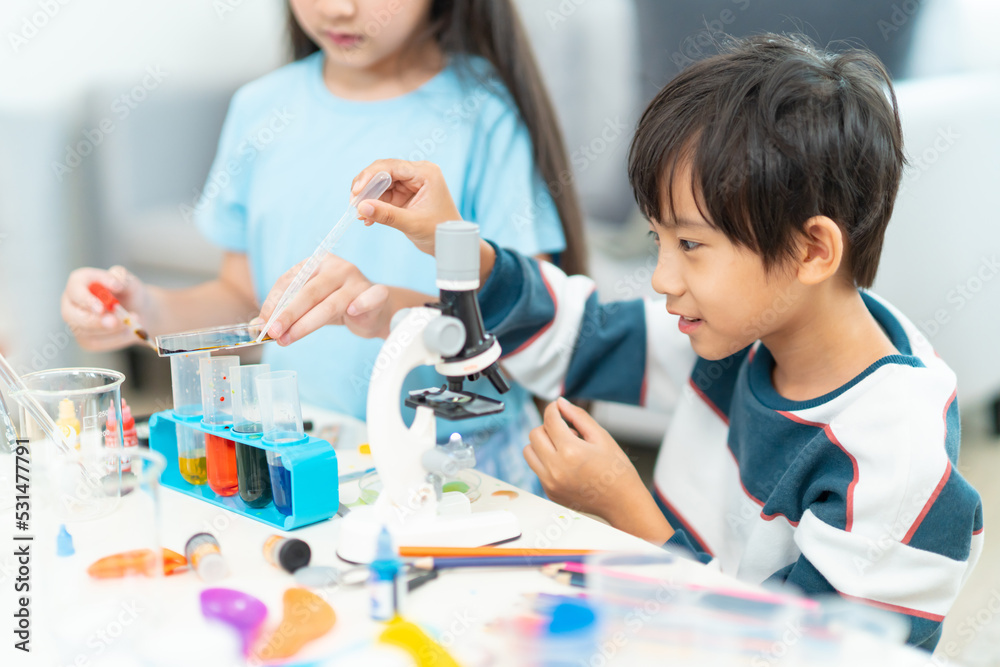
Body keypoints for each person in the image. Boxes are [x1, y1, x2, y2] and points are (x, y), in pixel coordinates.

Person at [311, 35, 983, 650]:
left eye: (691, 245)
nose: (663, 278)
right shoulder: (746, 334)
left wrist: (623, 507)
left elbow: (783, 649)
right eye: (659, 241)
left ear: (812, 250)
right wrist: (453, 241)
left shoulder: (893, 465)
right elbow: (579, 335)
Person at [59, 0, 586, 491]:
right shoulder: (261, 108)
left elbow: (525, 325)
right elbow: (249, 304)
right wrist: (146, 308)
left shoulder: (482, 115)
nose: (340, 8)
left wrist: (374, 306)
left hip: (458, 472)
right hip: (310, 458)